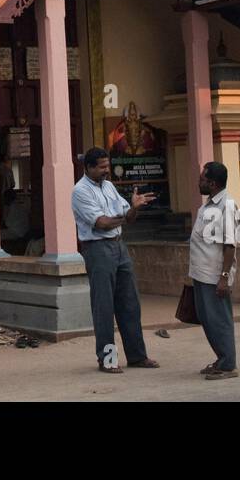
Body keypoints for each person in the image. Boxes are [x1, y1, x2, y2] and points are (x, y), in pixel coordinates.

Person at [71, 146, 159, 373]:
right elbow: (102, 223)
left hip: (119, 246)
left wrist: (135, 208)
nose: (106, 171)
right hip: (97, 249)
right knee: (104, 306)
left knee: (130, 303)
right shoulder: (80, 191)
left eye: (107, 166)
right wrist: (124, 216)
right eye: (101, 167)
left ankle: (137, 356)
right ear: (88, 168)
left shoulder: (109, 186)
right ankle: (107, 360)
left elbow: (127, 217)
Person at [190, 161, 237, 380]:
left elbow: (229, 245)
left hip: (214, 275)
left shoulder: (226, 206)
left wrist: (224, 278)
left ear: (213, 183)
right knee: (207, 319)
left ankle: (228, 365)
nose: (199, 182)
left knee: (219, 319)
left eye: (202, 179)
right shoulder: (208, 205)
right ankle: (221, 359)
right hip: (200, 273)